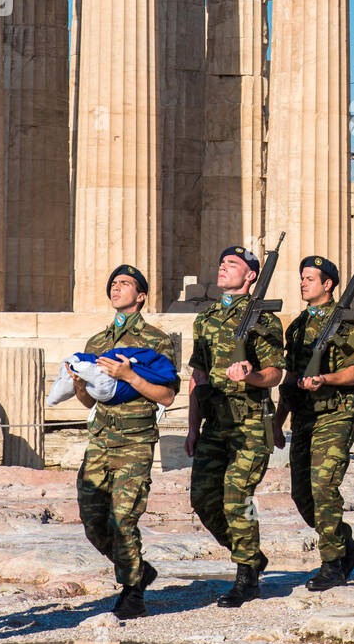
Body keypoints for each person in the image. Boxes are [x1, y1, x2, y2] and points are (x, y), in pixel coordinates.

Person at [74, 264, 178, 620]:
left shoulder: (157, 341)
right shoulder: (96, 342)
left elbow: (166, 396)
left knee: (124, 518)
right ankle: (138, 569)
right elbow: (91, 401)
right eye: (114, 284)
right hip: (100, 439)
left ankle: (133, 592)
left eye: (126, 284)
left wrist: (129, 374)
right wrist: (77, 383)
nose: (117, 288)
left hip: (135, 441)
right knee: (92, 521)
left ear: (142, 296)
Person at [187, 246, 284, 607]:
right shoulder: (206, 318)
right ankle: (252, 555)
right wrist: (193, 427)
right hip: (215, 421)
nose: (223, 267)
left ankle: (246, 576)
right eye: (222, 261)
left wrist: (252, 374)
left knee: (236, 495)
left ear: (251, 276)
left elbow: (275, 372)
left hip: (250, 422)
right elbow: (198, 375)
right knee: (202, 498)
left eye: (233, 264)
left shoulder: (264, 319)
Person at [274, 256, 354, 591]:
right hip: (303, 417)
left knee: (323, 487)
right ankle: (349, 548)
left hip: (335, 414)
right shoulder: (297, 326)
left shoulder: (348, 325)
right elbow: (289, 379)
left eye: (310, 278)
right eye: (302, 278)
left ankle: (332, 563)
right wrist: (277, 422)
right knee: (302, 494)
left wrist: (326, 377)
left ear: (328, 284)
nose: (303, 283)